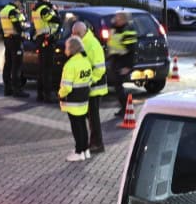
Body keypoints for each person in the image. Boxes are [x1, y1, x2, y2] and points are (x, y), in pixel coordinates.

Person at [71, 20, 108, 153]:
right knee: (91, 117)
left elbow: (99, 68)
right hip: (88, 86)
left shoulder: (91, 45)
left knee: (93, 117)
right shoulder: (84, 42)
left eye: (76, 33)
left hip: (94, 87)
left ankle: (97, 144)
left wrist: (88, 81)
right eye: (72, 33)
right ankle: (95, 142)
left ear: (82, 32)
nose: (73, 36)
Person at [59, 34, 94, 162]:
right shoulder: (86, 61)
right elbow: (90, 80)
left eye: (67, 47)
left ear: (72, 48)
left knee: (76, 126)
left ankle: (79, 151)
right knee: (82, 125)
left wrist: (60, 94)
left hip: (73, 100)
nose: (65, 50)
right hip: (84, 98)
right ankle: (85, 150)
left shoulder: (70, 64)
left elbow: (66, 86)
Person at [32, 0, 62, 104]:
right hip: (48, 40)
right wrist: (56, 10)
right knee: (47, 70)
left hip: (41, 39)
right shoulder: (44, 10)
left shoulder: (36, 9)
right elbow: (56, 20)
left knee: (42, 69)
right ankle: (48, 95)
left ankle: (40, 94)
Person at [108, 10, 138, 119]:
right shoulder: (116, 28)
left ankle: (126, 108)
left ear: (124, 19)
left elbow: (131, 50)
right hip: (116, 59)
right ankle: (124, 107)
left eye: (118, 18)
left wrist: (128, 66)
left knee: (118, 85)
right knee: (117, 85)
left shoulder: (128, 31)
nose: (115, 19)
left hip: (123, 61)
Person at [0, 0, 27, 96]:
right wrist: (24, 31)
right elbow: (18, 26)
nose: (22, 5)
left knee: (8, 64)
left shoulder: (4, 10)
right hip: (15, 40)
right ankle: (17, 89)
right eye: (21, 3)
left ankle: (7, 88)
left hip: (7, 39)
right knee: (17, 65)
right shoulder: (13, 11)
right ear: (17, 1)